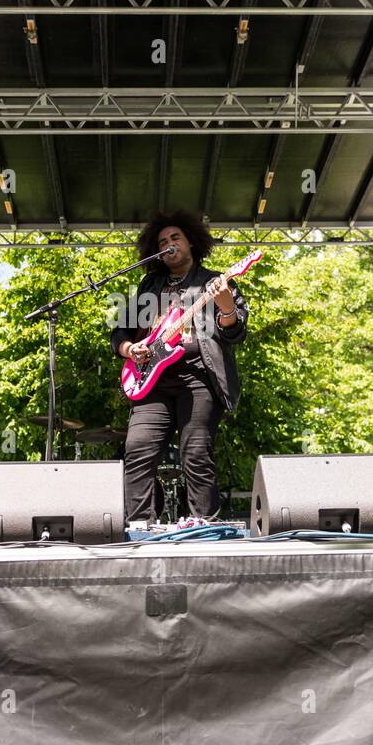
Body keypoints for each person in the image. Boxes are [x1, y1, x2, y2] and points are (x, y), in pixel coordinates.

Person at [110, 211, 249, 524]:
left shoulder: (214, 283)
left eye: (175, 238)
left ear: (191, 242)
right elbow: (119, 331)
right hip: (151, 382)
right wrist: (131, 349)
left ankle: (204, 524)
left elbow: (235, 332)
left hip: (198, 379)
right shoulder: (150, 287)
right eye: (162, 241)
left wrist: (226, 307)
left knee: (196, 453)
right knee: (137, 450)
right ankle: (139, 525)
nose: (169, 244)